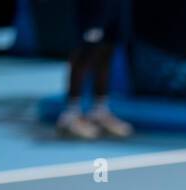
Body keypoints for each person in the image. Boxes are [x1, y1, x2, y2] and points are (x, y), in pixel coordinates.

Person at [56, 0, 134, 139]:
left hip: (116, 5)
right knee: (85, 53)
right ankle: (70, 115)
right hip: (93, 7)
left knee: (107, 52)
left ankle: (99, 111)